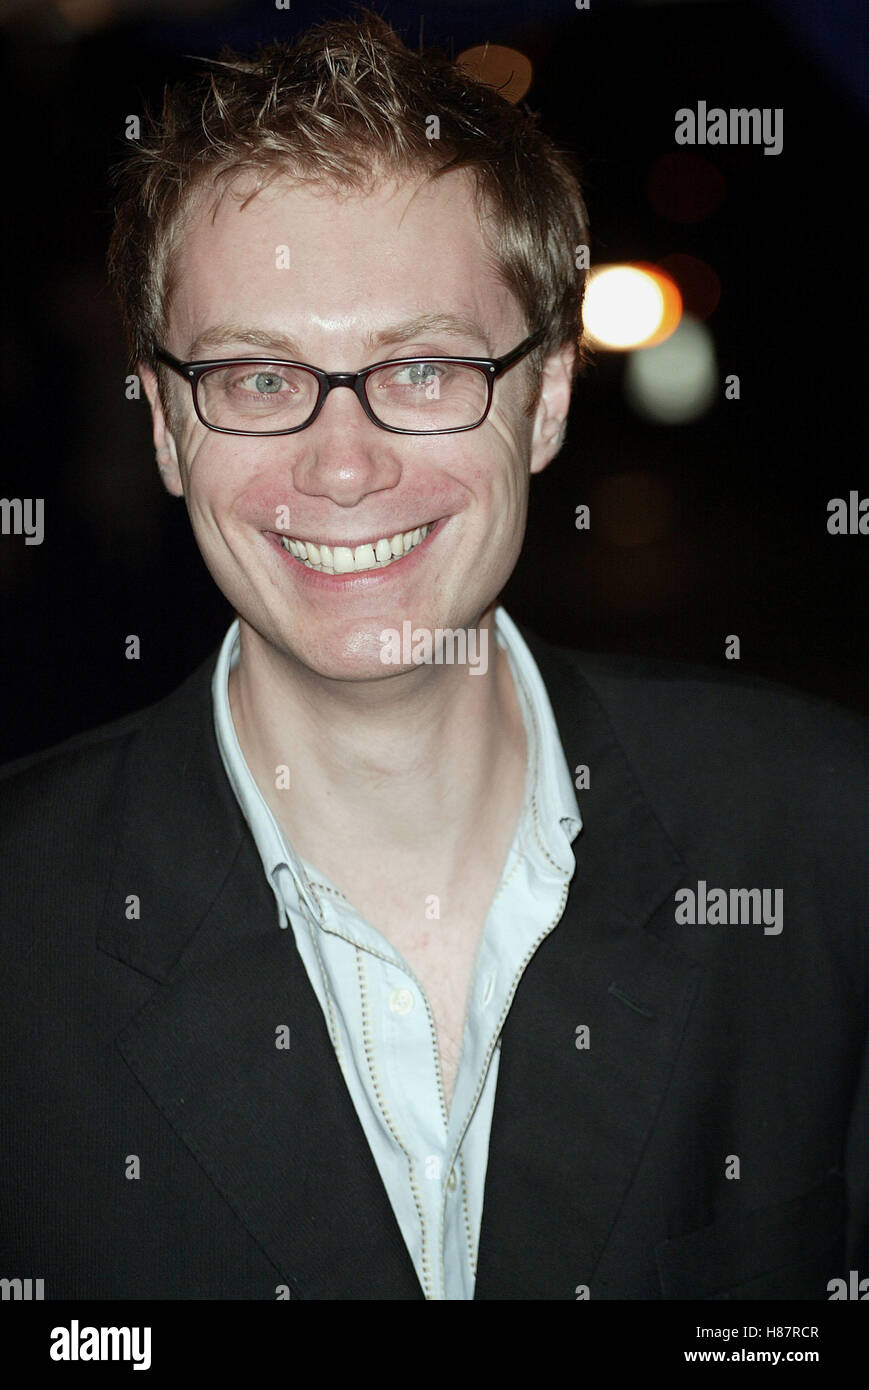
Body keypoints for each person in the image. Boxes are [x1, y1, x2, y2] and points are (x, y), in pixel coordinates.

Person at [1, 11, 866, 1302]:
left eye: (420, 367)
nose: (342, 465)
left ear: (548, 398)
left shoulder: (824, 829)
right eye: (254, 378)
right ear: (171, 425)